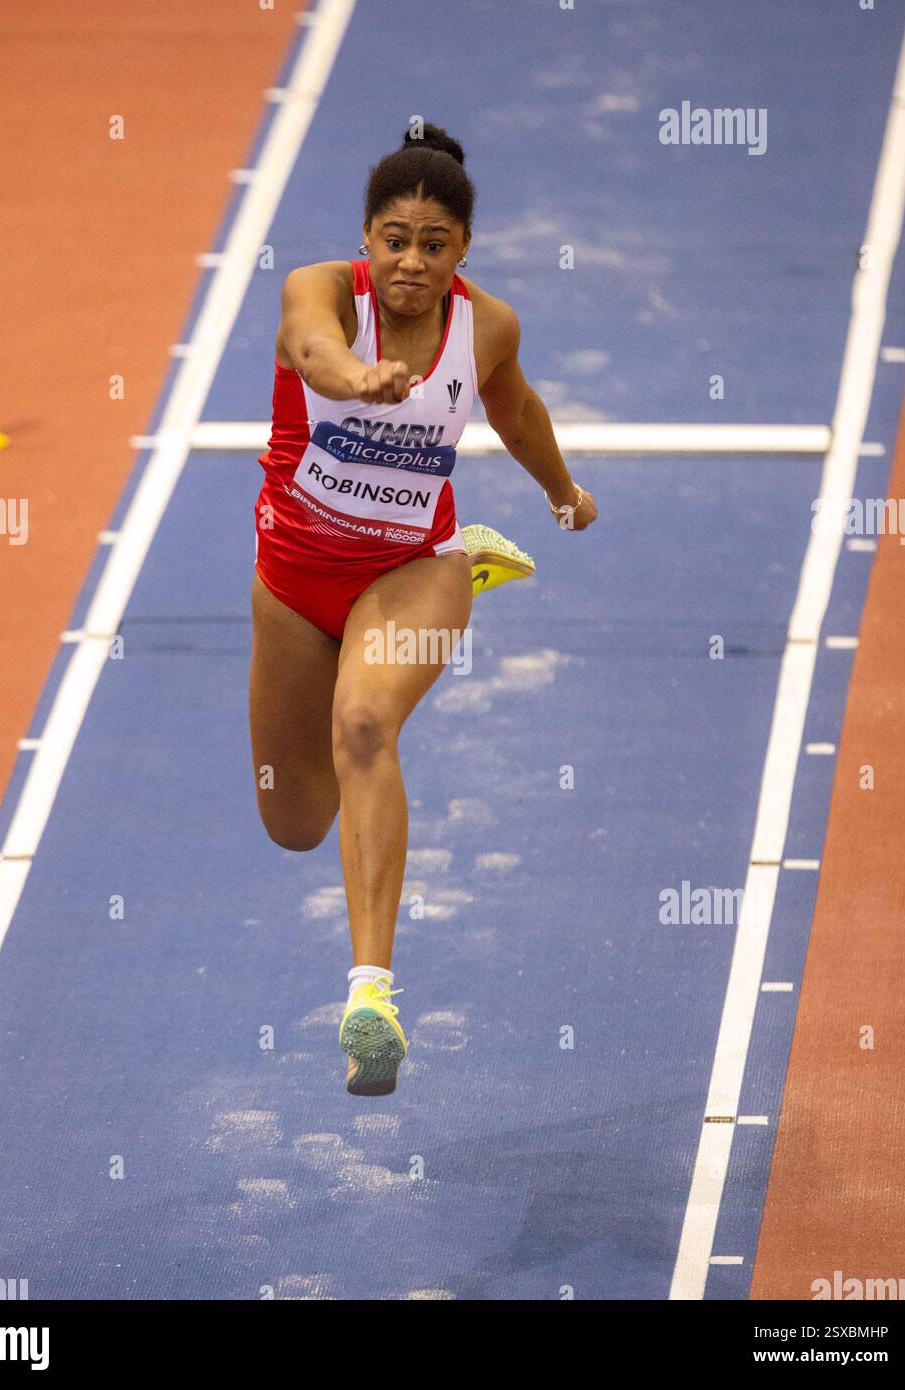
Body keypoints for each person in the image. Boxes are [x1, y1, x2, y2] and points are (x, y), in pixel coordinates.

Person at [250, 123, 597, 1095]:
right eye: (393, 239)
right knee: (294, 820)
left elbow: (515, 411)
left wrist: (561, 490)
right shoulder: (317, 294)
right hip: (293, 577)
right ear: (365, 239)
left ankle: (370, 994)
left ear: (461, 253)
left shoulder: (485, 327)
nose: (410, 260)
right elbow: (313, 351)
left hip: (411, 566)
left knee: (364, 722)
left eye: (432, 243)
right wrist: (359, 379)